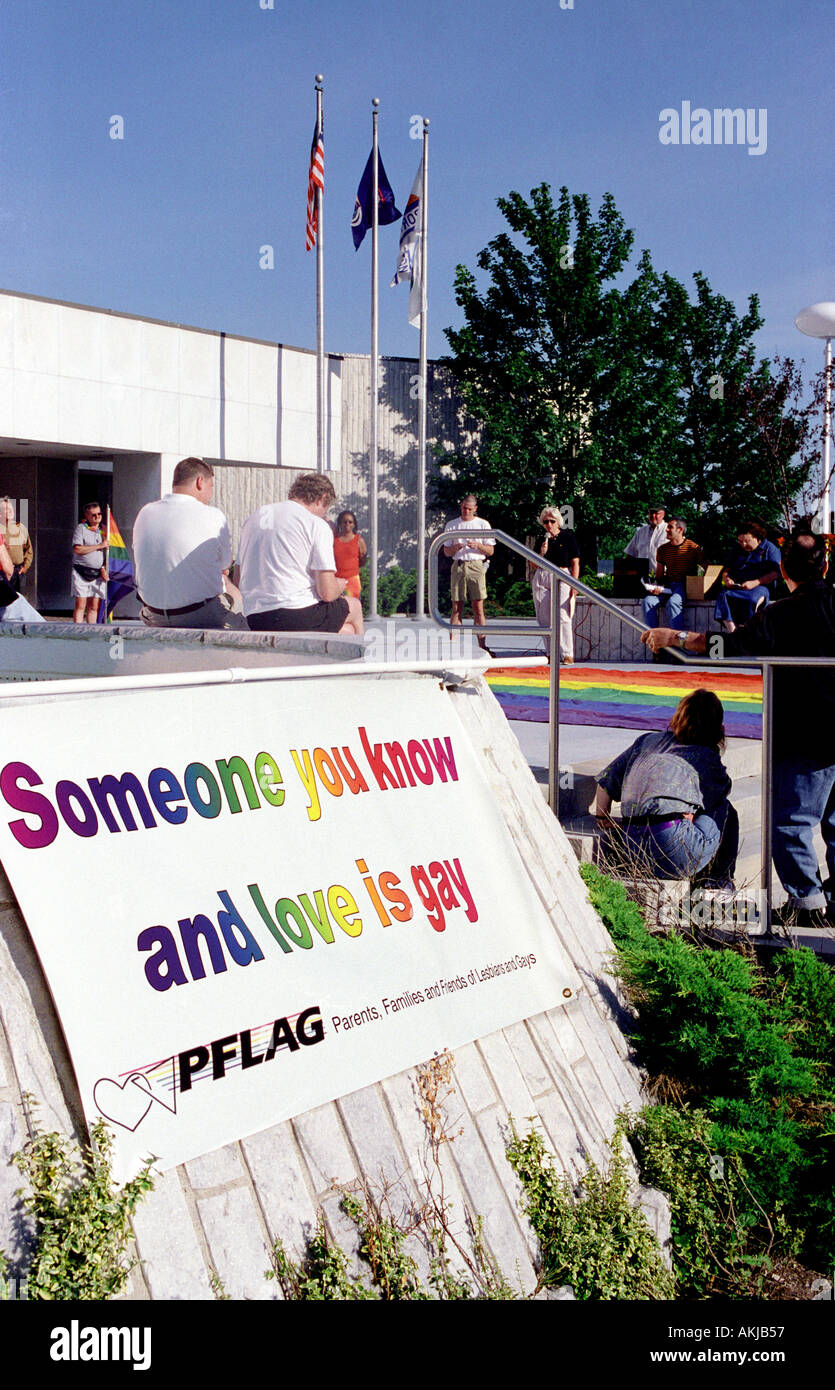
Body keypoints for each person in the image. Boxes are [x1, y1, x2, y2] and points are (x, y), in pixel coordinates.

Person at [642, 532, 835, 927]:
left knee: (792, 821)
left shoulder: (780, 614)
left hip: (807, 737)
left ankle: (808, 906)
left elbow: (726, 646)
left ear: (783, 570)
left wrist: (675, 636)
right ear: (826, 566)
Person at [594, 689, 737, 885]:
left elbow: (605, 782)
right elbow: (718, 795)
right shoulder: (706, 757)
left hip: (632, 848)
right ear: (718, 729)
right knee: (726, 810)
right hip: (674, 851)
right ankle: (717, 881)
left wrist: (602, 817)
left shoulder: (647, 741)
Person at [238, 472, 363, 635]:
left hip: (255, 617)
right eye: (326, 509)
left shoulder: (254, 518)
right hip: (297, 614)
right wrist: (339, 585)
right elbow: (327, 593)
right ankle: (365, 658)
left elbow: (238, 578)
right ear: (322, 498)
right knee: (354, 606)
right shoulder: (316, 524)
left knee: (346, 631)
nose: (325, 515)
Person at [132, 457, 248, 630]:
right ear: (200, 482)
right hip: (200, 615)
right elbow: (225, 564)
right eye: (211, 487)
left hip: (153, 615)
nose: (210, 494)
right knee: (234, 594)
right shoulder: (212, 515)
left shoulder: (145, 512)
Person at [528, 506, 580, 664]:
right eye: (545, 522)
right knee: (543, 617)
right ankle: (551, 652)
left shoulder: (567, 537)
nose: (548, 525)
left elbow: (575, 562)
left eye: (552, 521)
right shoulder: (541, 539)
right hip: (542, 575)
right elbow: (533, 565)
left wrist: (575, 585)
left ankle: (567, 653)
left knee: (562, 615)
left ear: (558, 522)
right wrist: (541, 553)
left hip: (561, 574)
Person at [443, 495, 494, 654]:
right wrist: (456, 547)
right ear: (461, 507)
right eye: (464, 508)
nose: (466, 511)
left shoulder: (483, 524)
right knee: (456, 607)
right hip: (458, 565)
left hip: (476, 565)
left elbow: (491, 551)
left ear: (475, 509)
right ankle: (453, 647)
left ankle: (482, 646)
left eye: (470, 509)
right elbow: (446, 551)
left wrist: (478, 545)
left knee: (478, 607)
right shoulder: (452, 525)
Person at [713, 521, 782, 632]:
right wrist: (727, 579)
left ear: (757, 538)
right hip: (739, 585)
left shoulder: (770, 548)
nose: (743, 545)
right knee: (723, 594)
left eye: (747, 541)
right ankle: (732, 631)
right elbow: (727, 569)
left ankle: (747, 629)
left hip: (761, 586)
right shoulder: (737, 548)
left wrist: (756, 582)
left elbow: (776, 573)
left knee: (751, 599)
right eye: (741, 541)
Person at [642, 516, 702, 630]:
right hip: (668, 586)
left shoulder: (693, 548)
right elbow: (659, 574)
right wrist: (657, 588)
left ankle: (678, 643)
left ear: (680, 530)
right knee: (647, 602)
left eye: (670, 527)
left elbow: (707, 568)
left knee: (673, 602)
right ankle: (654, 640)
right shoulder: (662, 549)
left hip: (684, 586)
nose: (666, 529)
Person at [72, 501, 107, 624]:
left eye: (99, 514)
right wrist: (99, 546)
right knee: (81, 604)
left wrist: (104, 569)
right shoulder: (81, 528)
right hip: (81, 571)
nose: (97, 517)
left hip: (98, 573)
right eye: (93, 515)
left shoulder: (104, 530)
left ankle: (92, 630)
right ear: (87, 516)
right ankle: (78, 630)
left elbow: (107, 554)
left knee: (94, 605)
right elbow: (77, 549)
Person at [0, 498, 34, 592]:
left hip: (19, 572)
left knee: (19, 601)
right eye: (7, 509)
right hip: (3, 573)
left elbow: (28, 550)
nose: (10, 511)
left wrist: (25, 567)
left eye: (11, 508)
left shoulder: (21, 528)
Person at [332, 510, 367, 600]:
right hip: (336, 580)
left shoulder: (359, 540)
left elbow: (363, 560)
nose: (347, 524)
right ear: (340, 523)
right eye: (344, 522)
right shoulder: (333, 540)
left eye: (350, 522)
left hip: (352, 581)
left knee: (352, 608)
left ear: (354, 524)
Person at [625, 505, 667, 574]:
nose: (653, 516)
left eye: (656, 513)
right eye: (651, 513)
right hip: (641, 575)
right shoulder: (641, 532)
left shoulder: (669, 530)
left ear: (663, 515)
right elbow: (630, 554)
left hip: (663, 576)